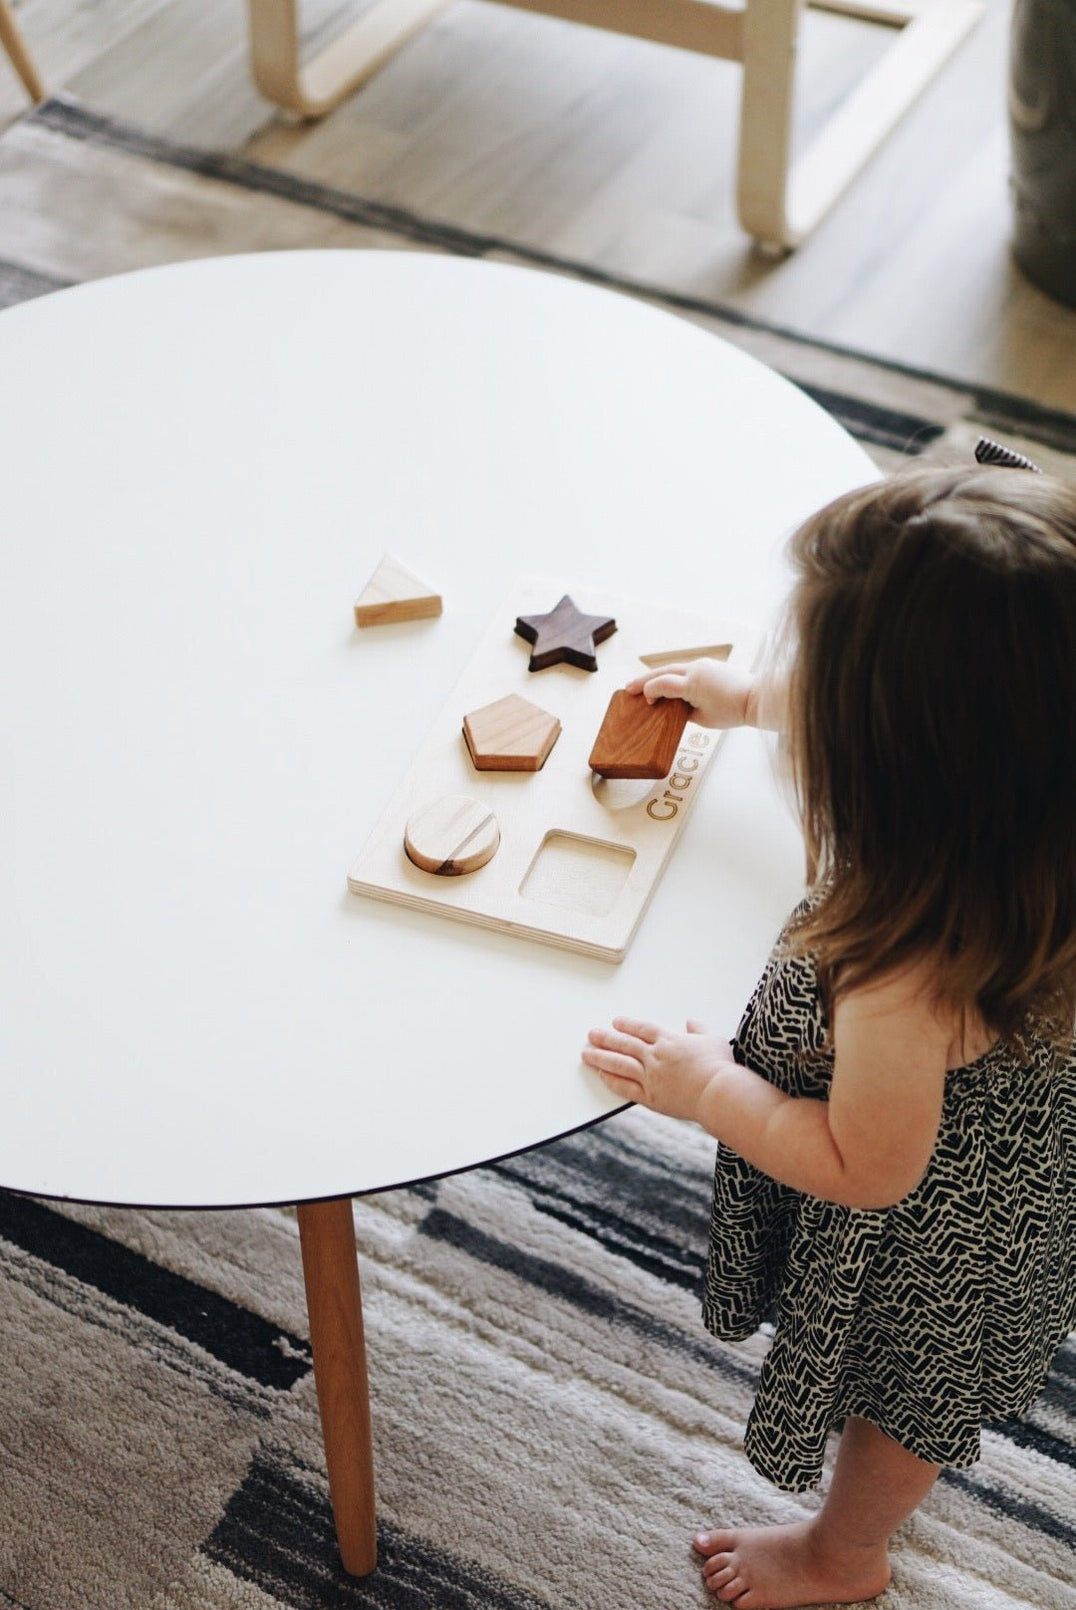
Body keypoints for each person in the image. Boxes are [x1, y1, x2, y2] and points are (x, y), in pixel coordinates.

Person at [582, 464, 1076, 1610]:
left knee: (900, 1396)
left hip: (935, 1236)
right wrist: (748, 697)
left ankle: (842, 1550)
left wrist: (707, 1086)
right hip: (1022, 1134)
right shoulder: (1025, 798)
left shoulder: (904, 968)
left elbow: (866, 1166)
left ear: (894, 761)